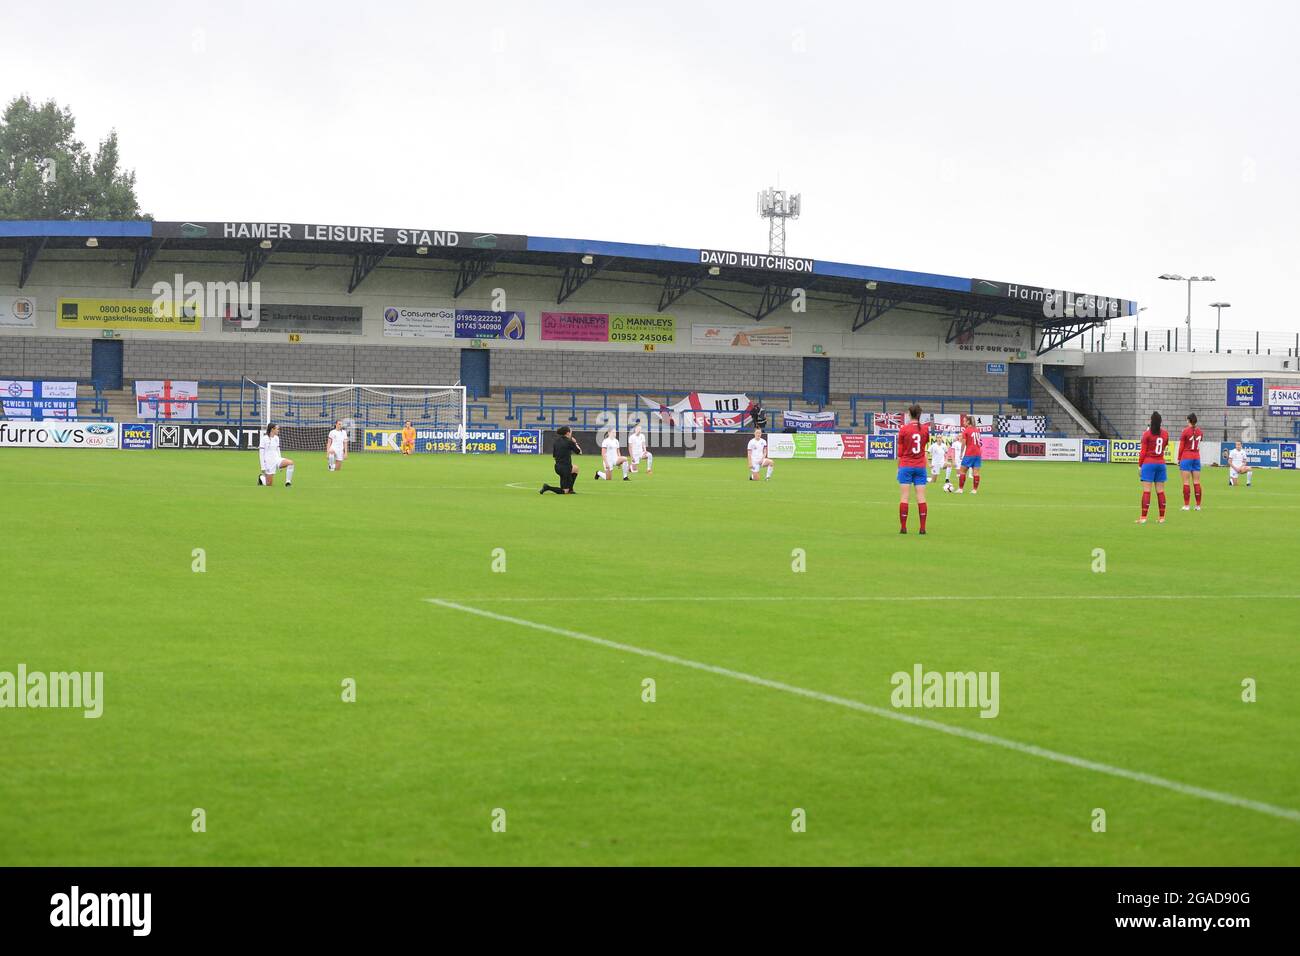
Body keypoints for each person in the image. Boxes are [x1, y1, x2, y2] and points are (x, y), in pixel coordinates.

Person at [897, 404, 930, 534]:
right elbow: (924, 447)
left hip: (906, 465)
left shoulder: (904, 429)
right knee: (921, 497)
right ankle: (922, 528)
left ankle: (903, 527)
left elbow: (900, 453)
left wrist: (898, 468)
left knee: (905, 497)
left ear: (909, 414)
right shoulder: (925, 429)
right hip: (920, 466)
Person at [1136, 411, 1169, 524]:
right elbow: (1164, 446)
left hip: (1149, 463)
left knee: (1147, 491)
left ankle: (1143, 518)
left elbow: (1143, 452)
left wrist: (1140, 465)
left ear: (1151, 421)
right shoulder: (1165, 434)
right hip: (1161, 463)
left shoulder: (1147, 434)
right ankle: (1162, 518)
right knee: (1160, 491)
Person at [540, 425, 582, 495]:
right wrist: (575, 442)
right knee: (565, 491)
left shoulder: (556, 441)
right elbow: (579, 452)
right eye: (571, 432)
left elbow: (554, 456)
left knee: (575, 468)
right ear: (568, 433)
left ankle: (571, 489)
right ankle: (547, 487)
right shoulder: (570, 442)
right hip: (566, 469)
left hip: (557, 467)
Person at [1177, 413, 1203, 511]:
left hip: (1186, 457)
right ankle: (1198, 505)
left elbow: (1181, 447)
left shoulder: (1185, 431)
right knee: (1196, 481)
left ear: (1188, 420)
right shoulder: (1200, 431)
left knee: (1186, 482)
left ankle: (1187, 505)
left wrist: (1179, 458)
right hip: (1196, 457)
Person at [957, 415, 982, 494]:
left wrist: (961, 453)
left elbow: (963, 443)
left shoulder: (966, 431)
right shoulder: (977, 430)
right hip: (978, 454)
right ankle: (974, 490)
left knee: (962, 471)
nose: (963, 422)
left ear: (968, 422)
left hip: (969, 453)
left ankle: (960, 489)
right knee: (976, 472)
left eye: (964, 421)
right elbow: (980, 442)